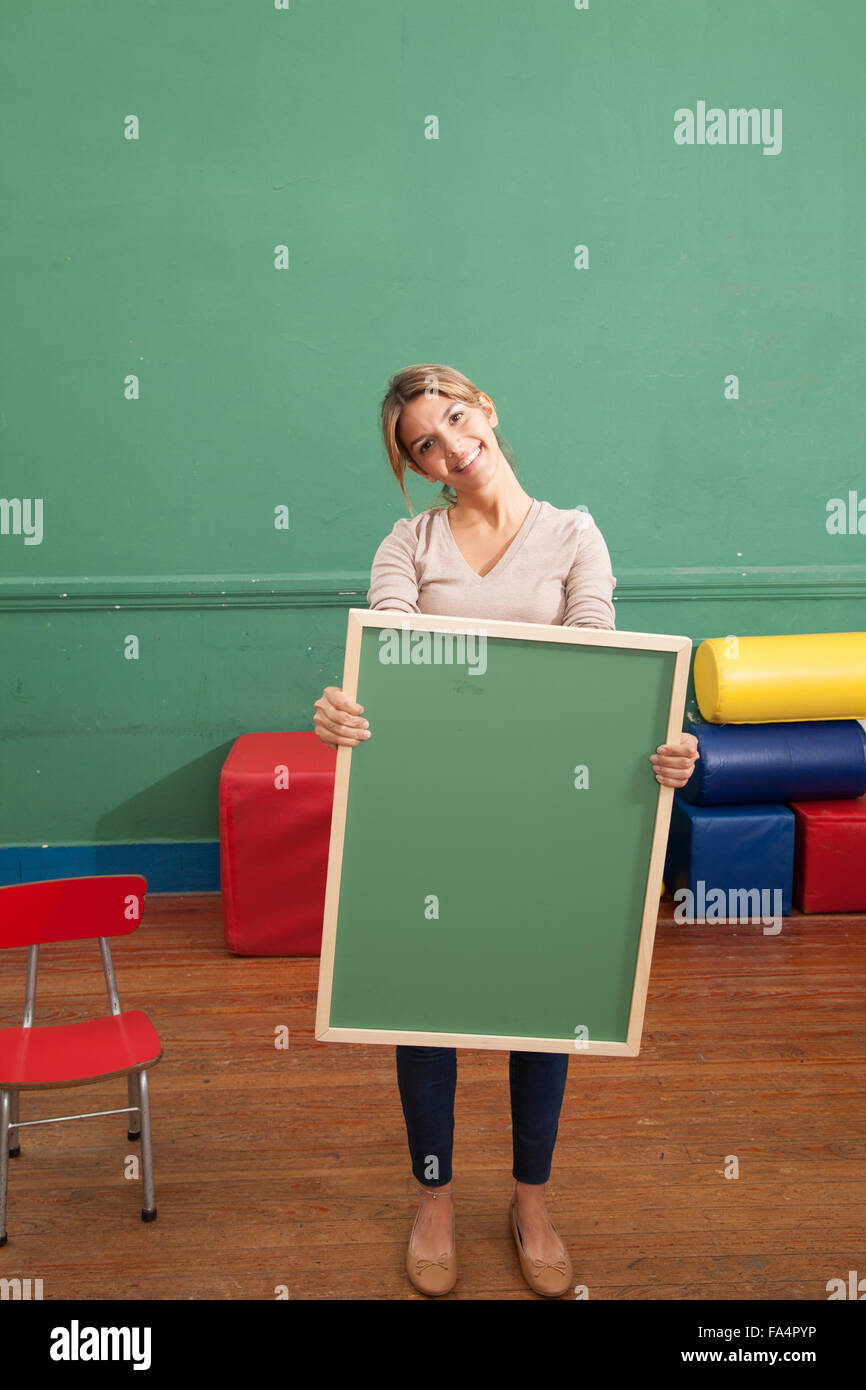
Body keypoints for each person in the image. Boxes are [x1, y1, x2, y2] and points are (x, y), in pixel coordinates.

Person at [313, 363, 699, 1297]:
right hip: (433, 821)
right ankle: (435, 1198)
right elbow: (390, 664)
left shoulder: (575, 536)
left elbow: (602, 669)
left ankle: (531, 1198)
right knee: (426, 1009)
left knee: (543, 1008)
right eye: (424, 445)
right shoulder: (407, 546)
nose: (450, 444)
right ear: (422, 468)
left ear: (485, 408)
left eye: (453, 417)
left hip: (548, 819)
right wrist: (344, 711)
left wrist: (663, 748)